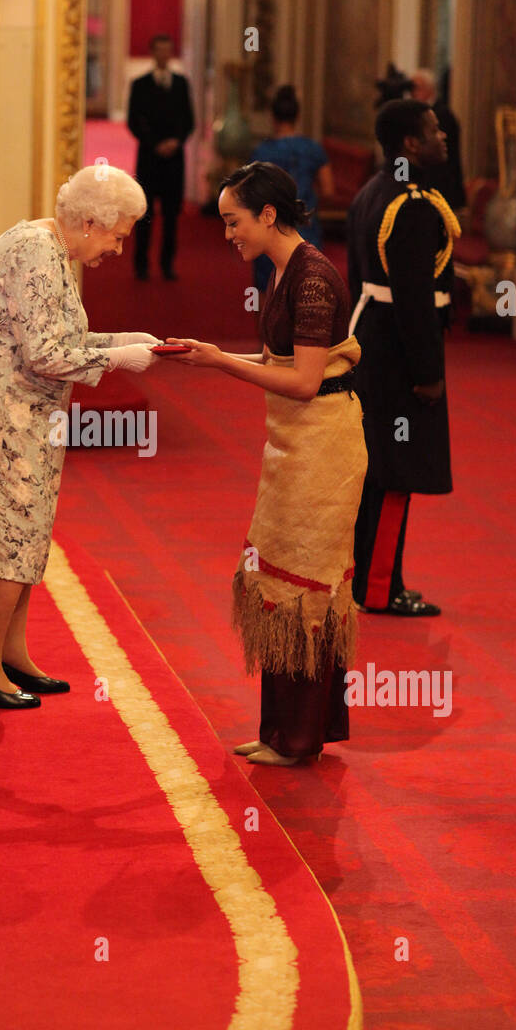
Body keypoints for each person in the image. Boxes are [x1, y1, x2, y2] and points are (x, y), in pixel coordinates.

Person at [0, 165, 159, 709]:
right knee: (14, 532)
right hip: (4, 413)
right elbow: (47, 355)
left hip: (25, 411)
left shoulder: (51, 245)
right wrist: (119, 357)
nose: (118, 249)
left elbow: (63, 337)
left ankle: (11, 652)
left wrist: (122, 341)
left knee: (30, 528)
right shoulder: (37, 250)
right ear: (89, 221)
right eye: (118, 234)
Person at [166, 162, 367, 766]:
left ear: (269, 214)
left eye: (234, 222)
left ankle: (299, 737)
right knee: (281, 576)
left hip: (322, 447)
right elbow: (283, 360)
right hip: (295, 443)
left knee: (304, 582)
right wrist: (214, 353)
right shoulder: (284, 267)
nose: (228, 234)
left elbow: (303, 382)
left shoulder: (311, 277)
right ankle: (286, 731)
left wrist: (218, 364)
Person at [347, 98, 459, 617]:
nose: (444, 138)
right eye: (435, 130)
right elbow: (414, 297)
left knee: (378, 467)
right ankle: (380, 588)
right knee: (397, 470)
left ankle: (371, 578)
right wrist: (428, 373)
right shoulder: (413, 203)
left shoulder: (375, 190)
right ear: (411, 143)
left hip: (373, 335)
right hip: (399, 348)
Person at [249, 84, 334, 293]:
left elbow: (250, 196)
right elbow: (328, 189)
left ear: (273, 117)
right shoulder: (313, 149)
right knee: (305, 295)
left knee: (267, 295)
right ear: (297, 116)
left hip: (269, 233)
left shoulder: (261, 151)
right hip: (305, 231)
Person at [127, 34, 195, 281]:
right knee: (144, 214)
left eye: (168, 49)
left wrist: (175, 142)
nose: (164, 54)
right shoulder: (140, 84)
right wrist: (155, 144)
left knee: (171, 215)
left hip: (174, 160)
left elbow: (189, 119)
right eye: (159, 50)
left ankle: (167, 265)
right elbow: (133, 121)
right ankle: (141, 265)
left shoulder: (181, 84)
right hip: (149, 157)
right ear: (153, 52)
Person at [410, 67, 466, 210]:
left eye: (417, 88)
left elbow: (436, 157)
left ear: (430, 90)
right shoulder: (422, 114)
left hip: (441, 188)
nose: (412, 94)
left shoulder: (442, 115)